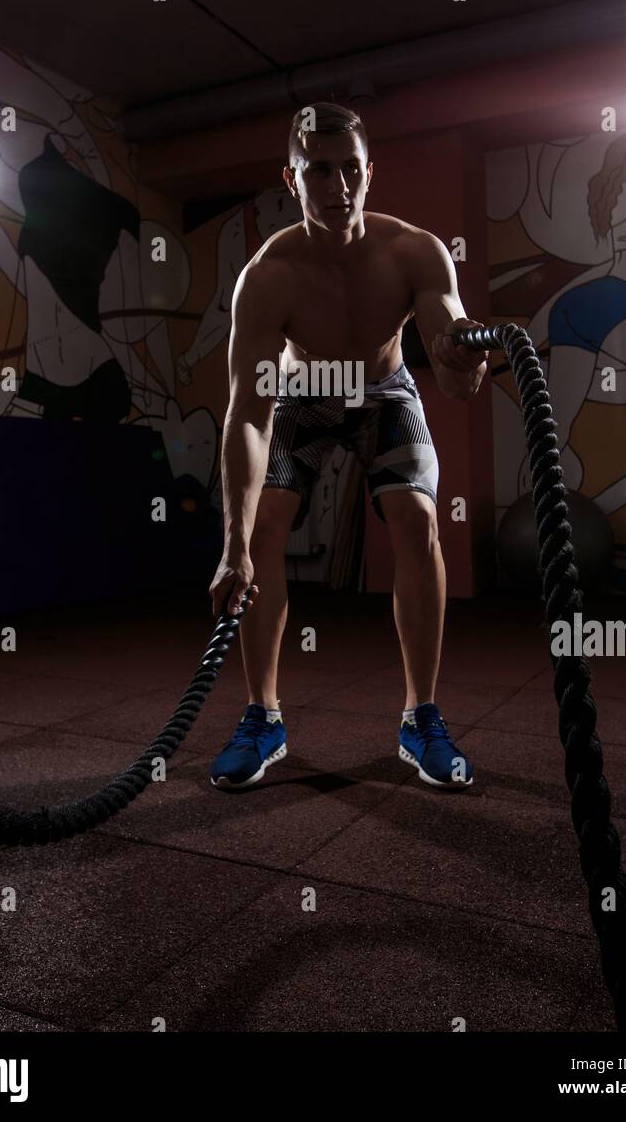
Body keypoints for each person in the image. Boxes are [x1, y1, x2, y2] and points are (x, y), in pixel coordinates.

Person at [208, 102, 488, 791]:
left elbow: (458, 384)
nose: (338, 189)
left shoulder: (413, 252)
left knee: (419, 521)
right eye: (319, 172)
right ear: (292, 177)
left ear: (371, 173)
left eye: (351, 171)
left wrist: (464, 357)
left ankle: (420, 718)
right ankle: (262, 717)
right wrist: (233, 545)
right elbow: (247, 413)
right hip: (301, 395)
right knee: (265, 524)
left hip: (383, 390)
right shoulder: (269, 276)